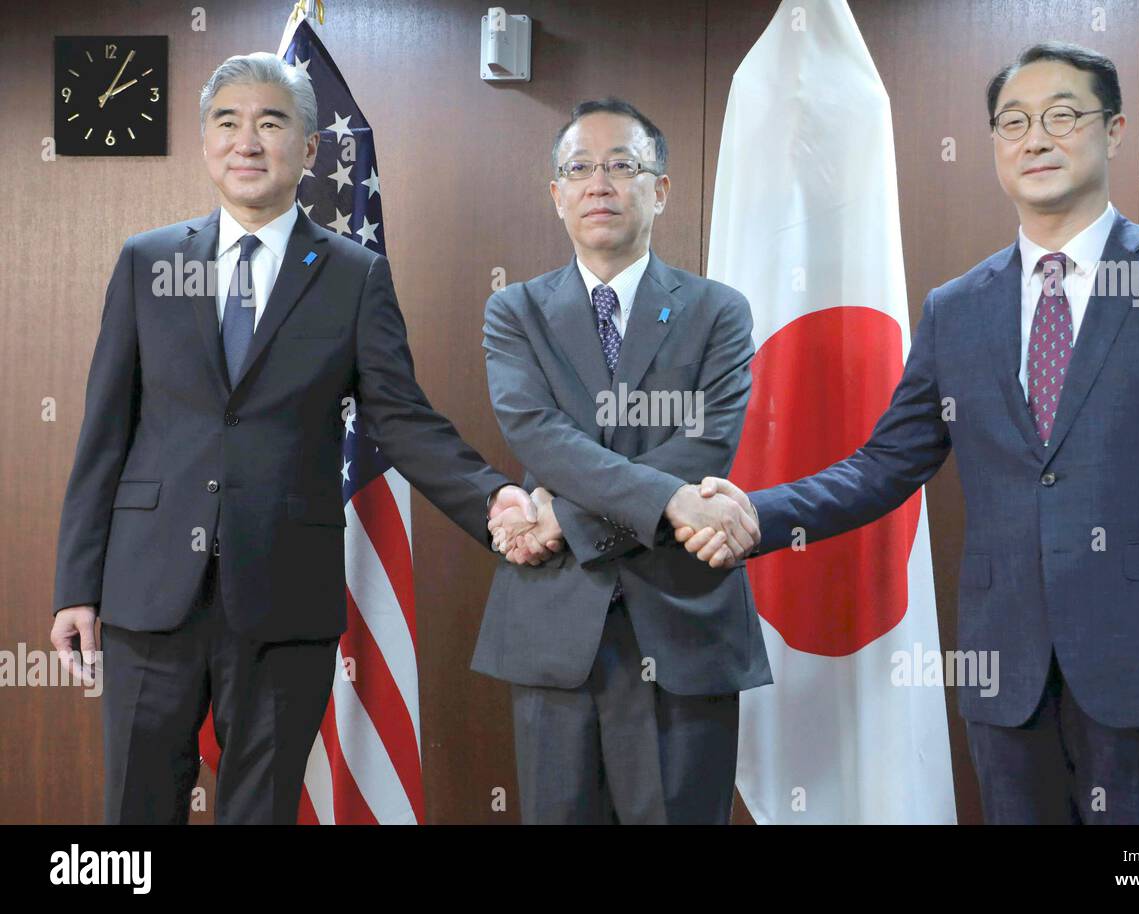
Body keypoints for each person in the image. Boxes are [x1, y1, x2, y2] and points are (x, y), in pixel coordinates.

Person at [677, 42, 1139, 824]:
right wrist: (759, 513)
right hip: (1007, 669)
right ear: (994, 144)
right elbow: (886, 464)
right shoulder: (958, 308)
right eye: (1013, 122)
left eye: (1062, 115)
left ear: (1114, 130)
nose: (1036, 138)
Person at [50, 52, 533, 824]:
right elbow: (104, 431)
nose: (248, 141)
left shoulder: (353, 276)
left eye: (270, 123)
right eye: (227, 122)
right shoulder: (147, 261)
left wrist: (494, 497)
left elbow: (400, 418)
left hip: (283, 594)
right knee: (135, 811)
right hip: (146, 590)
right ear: (206, 142)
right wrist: (77, 584)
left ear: (308, 149)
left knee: (261, 810)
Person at [476, 98, 767, 823]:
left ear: (660, 189)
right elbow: (537, 435)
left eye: (621, 165)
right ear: (557, 195)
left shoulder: (717, 310)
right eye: (579, 168)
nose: (598, 184)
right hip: (553, 622)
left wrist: (563, 513)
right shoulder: (514, 311)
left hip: (681, 619)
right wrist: (666, 500)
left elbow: (706, 443)